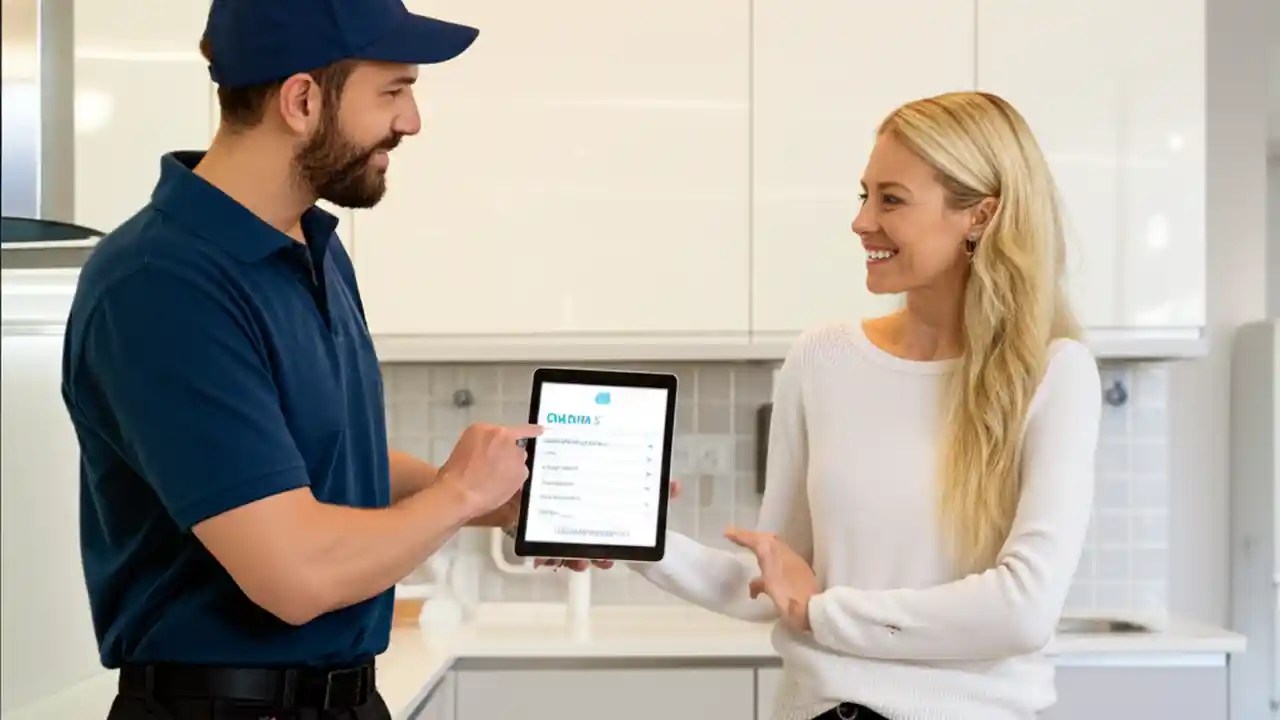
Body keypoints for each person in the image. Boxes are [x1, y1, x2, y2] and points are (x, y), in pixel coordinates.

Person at [60, 2, 539, 718]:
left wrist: (485, 496)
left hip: (337, 700)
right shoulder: (162, 283)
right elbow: (296, 575)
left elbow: (320, 467)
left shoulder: (309, 248)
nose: (411, 122)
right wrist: (457, 496)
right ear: (303, 99)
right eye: (393, 91)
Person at [607, 92, 1104, 720]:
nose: (862, 221)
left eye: (891, 200)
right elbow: (775, 581)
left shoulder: (1054, 375)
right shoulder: (823, 359)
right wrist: (626, 539)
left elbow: (1024, 609)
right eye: (863, 195)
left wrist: (819, 613)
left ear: (979, 216)